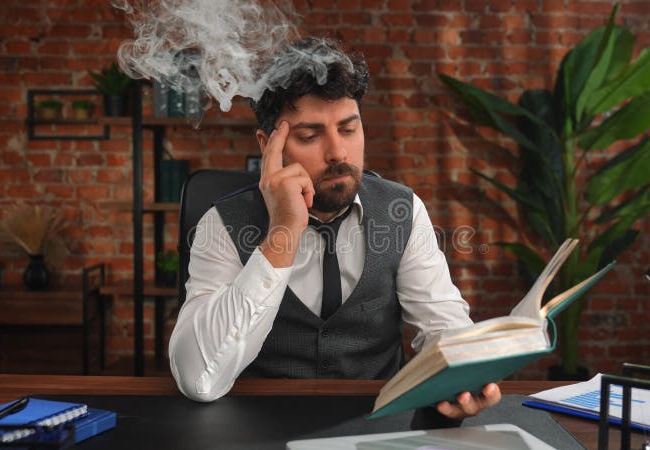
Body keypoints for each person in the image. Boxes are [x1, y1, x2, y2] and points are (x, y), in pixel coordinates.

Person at [169, 36, 501, 421]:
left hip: (379, 425)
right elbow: (197, 379)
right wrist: (284, 231)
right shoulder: (222, 224)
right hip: (254, 425)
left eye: (348, 129)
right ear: (268, 147)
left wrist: (463, 373)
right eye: (310, 136)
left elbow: (442, 324)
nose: (338, 153)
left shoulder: (403, 210)